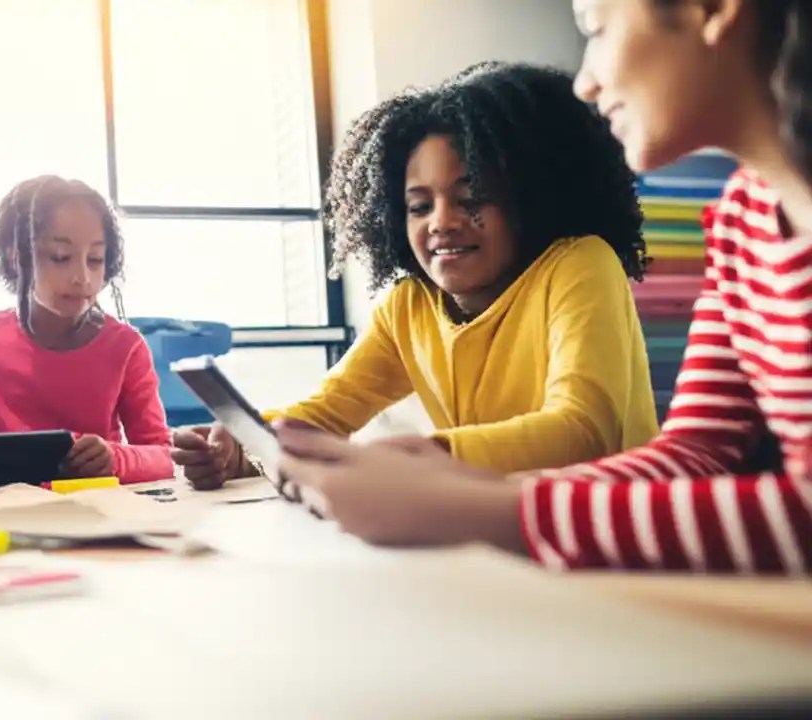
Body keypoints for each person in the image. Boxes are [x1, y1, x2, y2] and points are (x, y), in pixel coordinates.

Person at [277, 0, 812, 574]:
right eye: (419, 205)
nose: (585, 82)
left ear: (712, 10)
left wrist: (476, 507)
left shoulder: (579, 263)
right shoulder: (741, 221)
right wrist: (448, 488)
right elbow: (697, 451)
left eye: (597, 30)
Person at [174, 61, 657, 489]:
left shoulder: (580, 264)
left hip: (606, 536)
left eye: (472, 198)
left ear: (533, 199)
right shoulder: (410, 304)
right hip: (492, 533)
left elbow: (582, 431)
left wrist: (423, 454)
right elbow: (324, 413)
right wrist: (244, 446)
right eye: (419, 206)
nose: (441, 221)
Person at [0, 175, 173, 484]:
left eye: (95, 259)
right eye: (61, 258)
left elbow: (163, 455)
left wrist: (115, 458)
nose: (82, 277)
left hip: (93, 511)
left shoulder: (126, 347)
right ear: (16, 255)